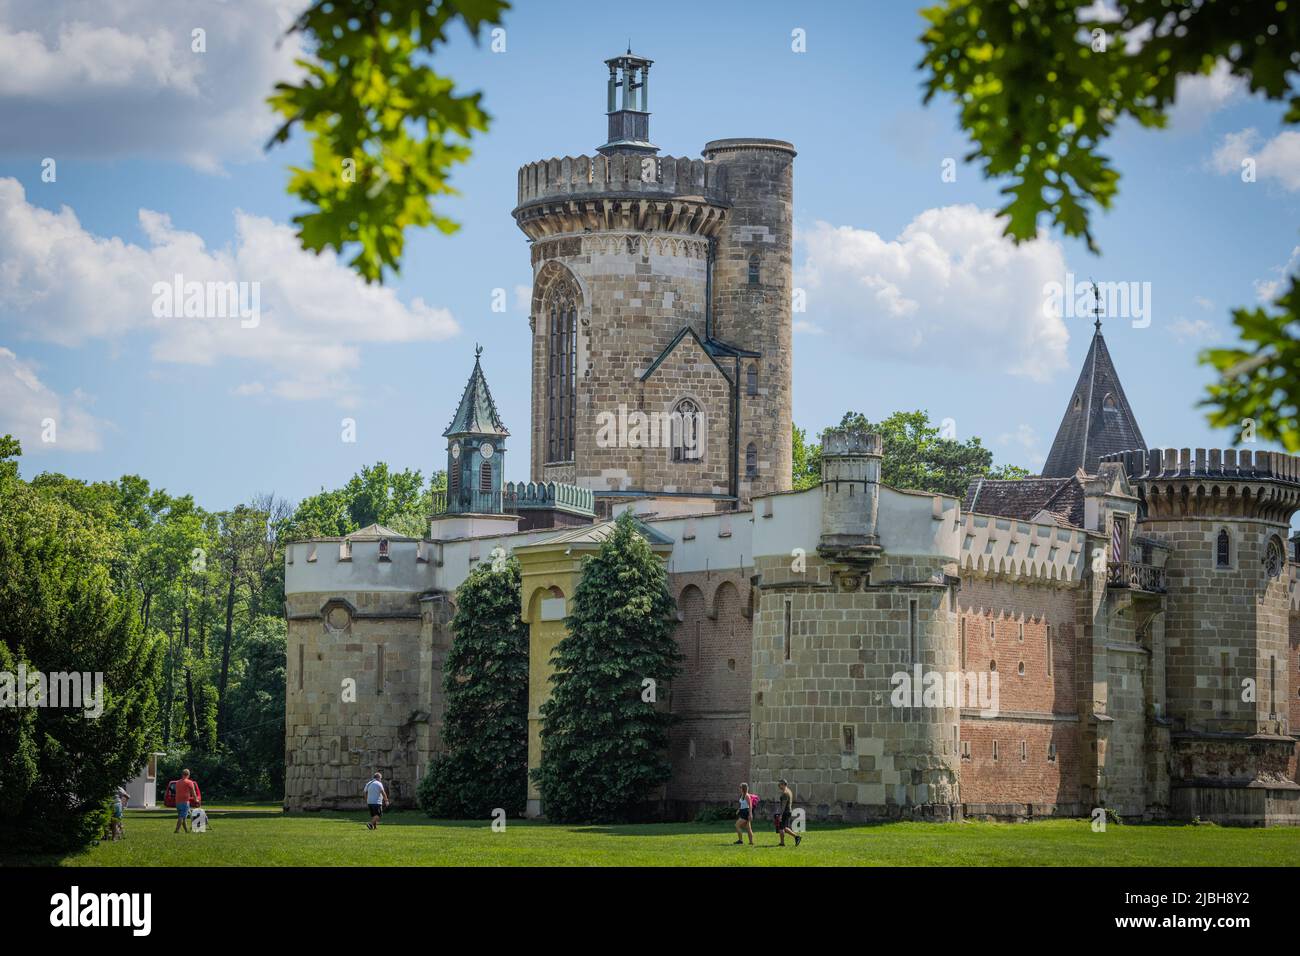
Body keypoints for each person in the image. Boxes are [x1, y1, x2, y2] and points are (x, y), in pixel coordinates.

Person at [775, 778, 801, 847]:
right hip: (788, 811)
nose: (778, 786)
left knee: (781, 828)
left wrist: (780, 815)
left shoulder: (785, 793)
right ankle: (796, 837)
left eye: (780, 784)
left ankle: (782, 843)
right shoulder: (789, 791)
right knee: (785, 828)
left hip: (785, 812)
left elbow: (783, 805)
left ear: (783, 784)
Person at [173, 769, 198, 834]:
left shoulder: (177, 782)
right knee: (182, 816)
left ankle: (186, 830)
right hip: (184, 802)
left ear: (182, 774)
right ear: (188, 775)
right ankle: (177, 830)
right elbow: (193, 792)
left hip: (177, 801)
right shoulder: (189, 782)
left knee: (183, 817)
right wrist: (196, 800)